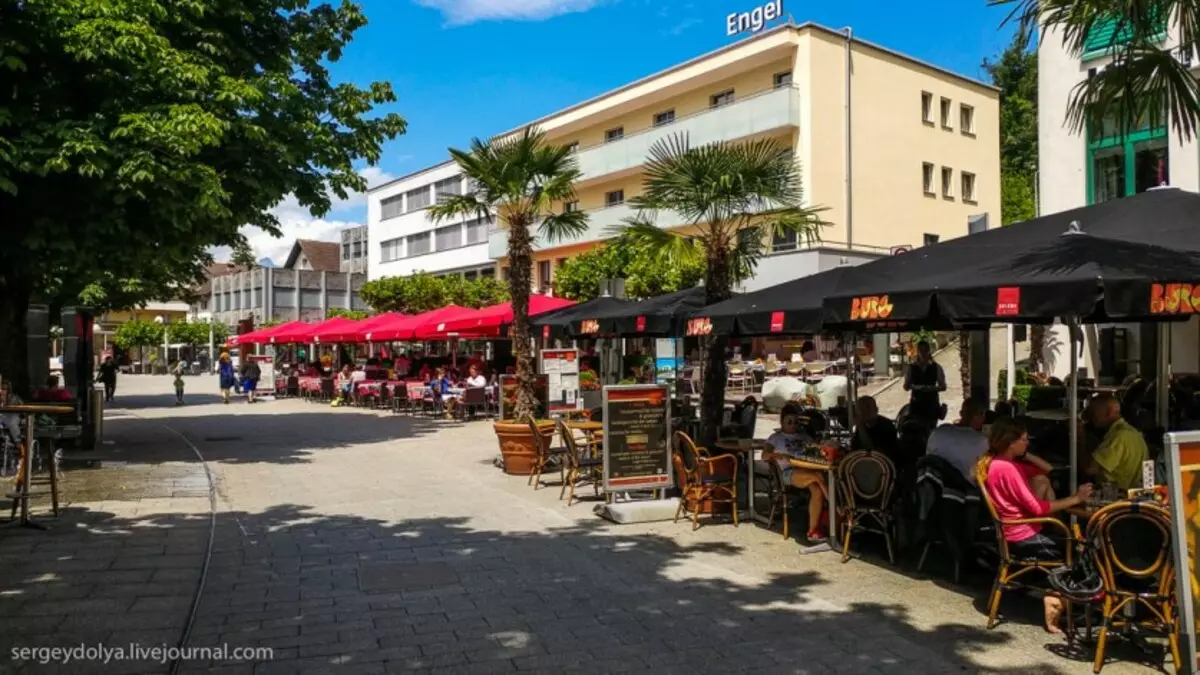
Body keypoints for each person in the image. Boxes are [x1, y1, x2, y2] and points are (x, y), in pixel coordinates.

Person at [980, 417, 1093, 632]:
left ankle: (1062, 594)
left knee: (1046, 488)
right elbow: (1038, 509)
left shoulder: (1001, 464)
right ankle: (1057, 598)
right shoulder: (1007, 469)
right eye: (1023, 440)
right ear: (1010, 442)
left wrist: (1025, 454)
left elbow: (1049, 471)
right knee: (1083, 550)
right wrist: (1076, 499)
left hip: (1015, 533)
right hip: (1024, 537)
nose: (1028, 443)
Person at [762, 403, 829, 543]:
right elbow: (764, 455)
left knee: (817, 489)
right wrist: (779, 456)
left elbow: (816, 449)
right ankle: (835, 504)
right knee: (818, 476)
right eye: (789, 421)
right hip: (788, 472)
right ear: (782, 422)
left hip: (807, 469)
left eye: (795, 421)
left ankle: (812, 531)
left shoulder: (804, 436)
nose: (792, 425)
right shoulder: (776, 437)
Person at [1084, 394, 1150, 490]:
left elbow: (1090, 469)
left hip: (1117, 496)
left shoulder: (1118, 436)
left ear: (1109, 411)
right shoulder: (1130, 432)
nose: (1091, 417)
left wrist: (1079, 438)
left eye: (1094, 412)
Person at [927, 398, 989, 483]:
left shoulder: (939, 432)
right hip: (966, 491)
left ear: (961, 413)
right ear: (980, 416)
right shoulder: (983, 442)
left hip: (935, 486)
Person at [903, 340, 946, 426]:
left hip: (931, 406)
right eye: (921, 351)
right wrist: (913, 386)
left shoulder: (936, 367)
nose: (923, 353)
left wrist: (931, 388)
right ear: (918, 352)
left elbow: (943, 386)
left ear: (929, 351)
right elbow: (906, 387)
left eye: (925, 350)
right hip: (916, 407)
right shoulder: (911, 368)